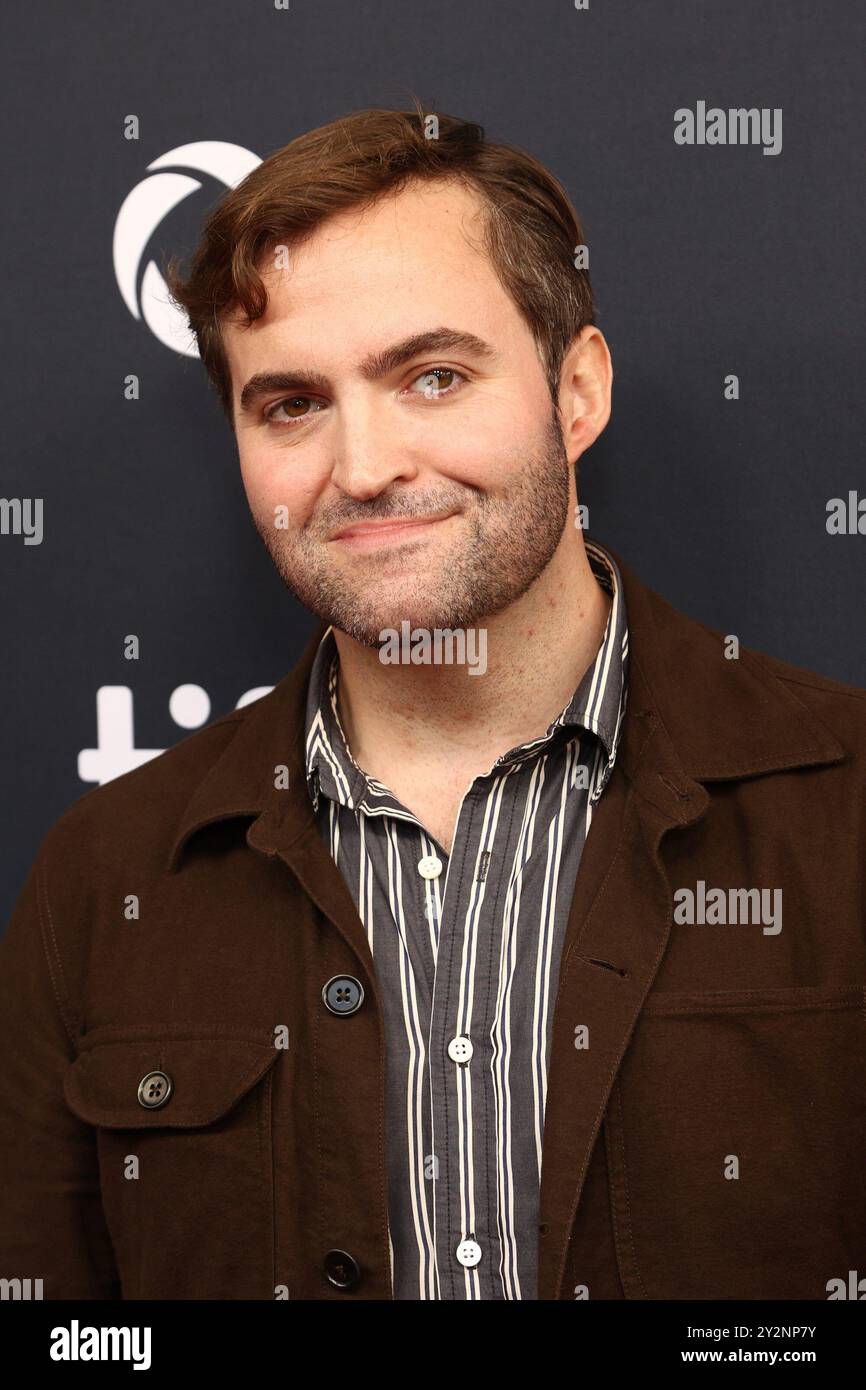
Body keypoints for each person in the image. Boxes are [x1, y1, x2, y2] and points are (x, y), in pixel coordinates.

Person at [1, 105, 864, 1302]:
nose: (362, 467)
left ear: (575, 394)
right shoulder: (106, 879)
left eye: (433, 376)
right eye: (292, 403)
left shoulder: (845, 807)